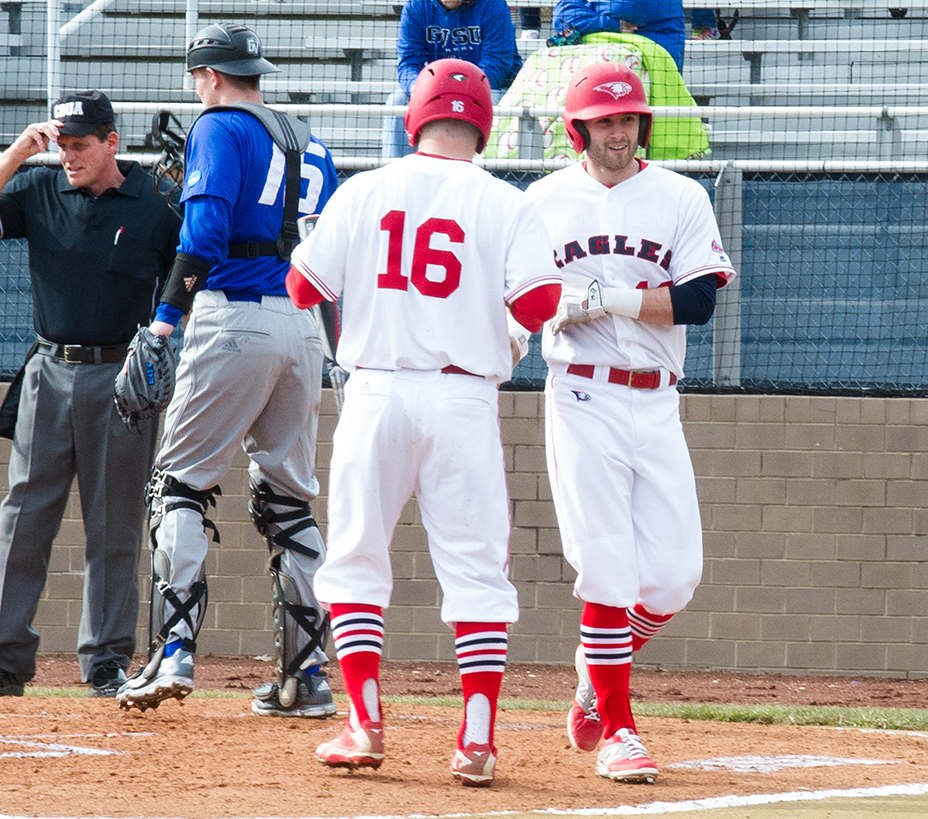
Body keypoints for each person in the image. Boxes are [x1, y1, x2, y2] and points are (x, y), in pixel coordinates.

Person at [287, 58, 560, 785]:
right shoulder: (509, 202)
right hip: (464, 396)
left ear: (417, 114)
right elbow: (537, 307)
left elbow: (302, 284)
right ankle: (476, 740)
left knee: (353, 558)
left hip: (376, 388)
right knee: (476, 570)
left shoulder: (366, 188)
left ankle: (364, 721)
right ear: (482, 121)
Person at [114, 24, 339, 718]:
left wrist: (161, 325)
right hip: (304, 326)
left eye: (197, 80)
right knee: (287, 501)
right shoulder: (308, 137)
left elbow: (203, 235)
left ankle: (172, 650)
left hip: (233, 314)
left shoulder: (219, 125)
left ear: (209, 75)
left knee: (177, 483)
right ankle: (308, 679)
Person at [525, 61, 735, 783]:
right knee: (607, 563)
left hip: (656, 395)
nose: (618, 132)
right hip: (581, 393)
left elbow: (701, 301)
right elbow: (519, 295)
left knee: (675, 576)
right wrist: (553, 303)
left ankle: (595, 661)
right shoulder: (545, 198)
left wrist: (610, 297)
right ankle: (618, 726)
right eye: (604, 121)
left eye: (628, 120)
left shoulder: (679, 195)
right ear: (577, 128)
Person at [0, 91, 180, 698]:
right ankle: (3, 658)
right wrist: (22, 150)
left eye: (82, 145)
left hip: (122, 378)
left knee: (112, 527)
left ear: (111, 142)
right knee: (23, 519)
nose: (70, 156)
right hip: (48, 371)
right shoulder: (39, 188)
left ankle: (105, 662)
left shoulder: (155, 202)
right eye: (64, 144)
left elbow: (194, 270)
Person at [383, 0, 523, 158]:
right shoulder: (417, 6)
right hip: (437, 87)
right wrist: (419, 89)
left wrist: (461, 92)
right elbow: (408, 64)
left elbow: (496, 64)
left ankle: (486, 174)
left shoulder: (493, 4)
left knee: (494, 101)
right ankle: (395, 169)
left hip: (488, 87)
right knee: (398, 100)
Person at [552, 0, 687, 70]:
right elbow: (562, 17)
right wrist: (613, 24)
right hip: (597, 68)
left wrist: (589, 10)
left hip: (650, 69)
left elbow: (627, 8)